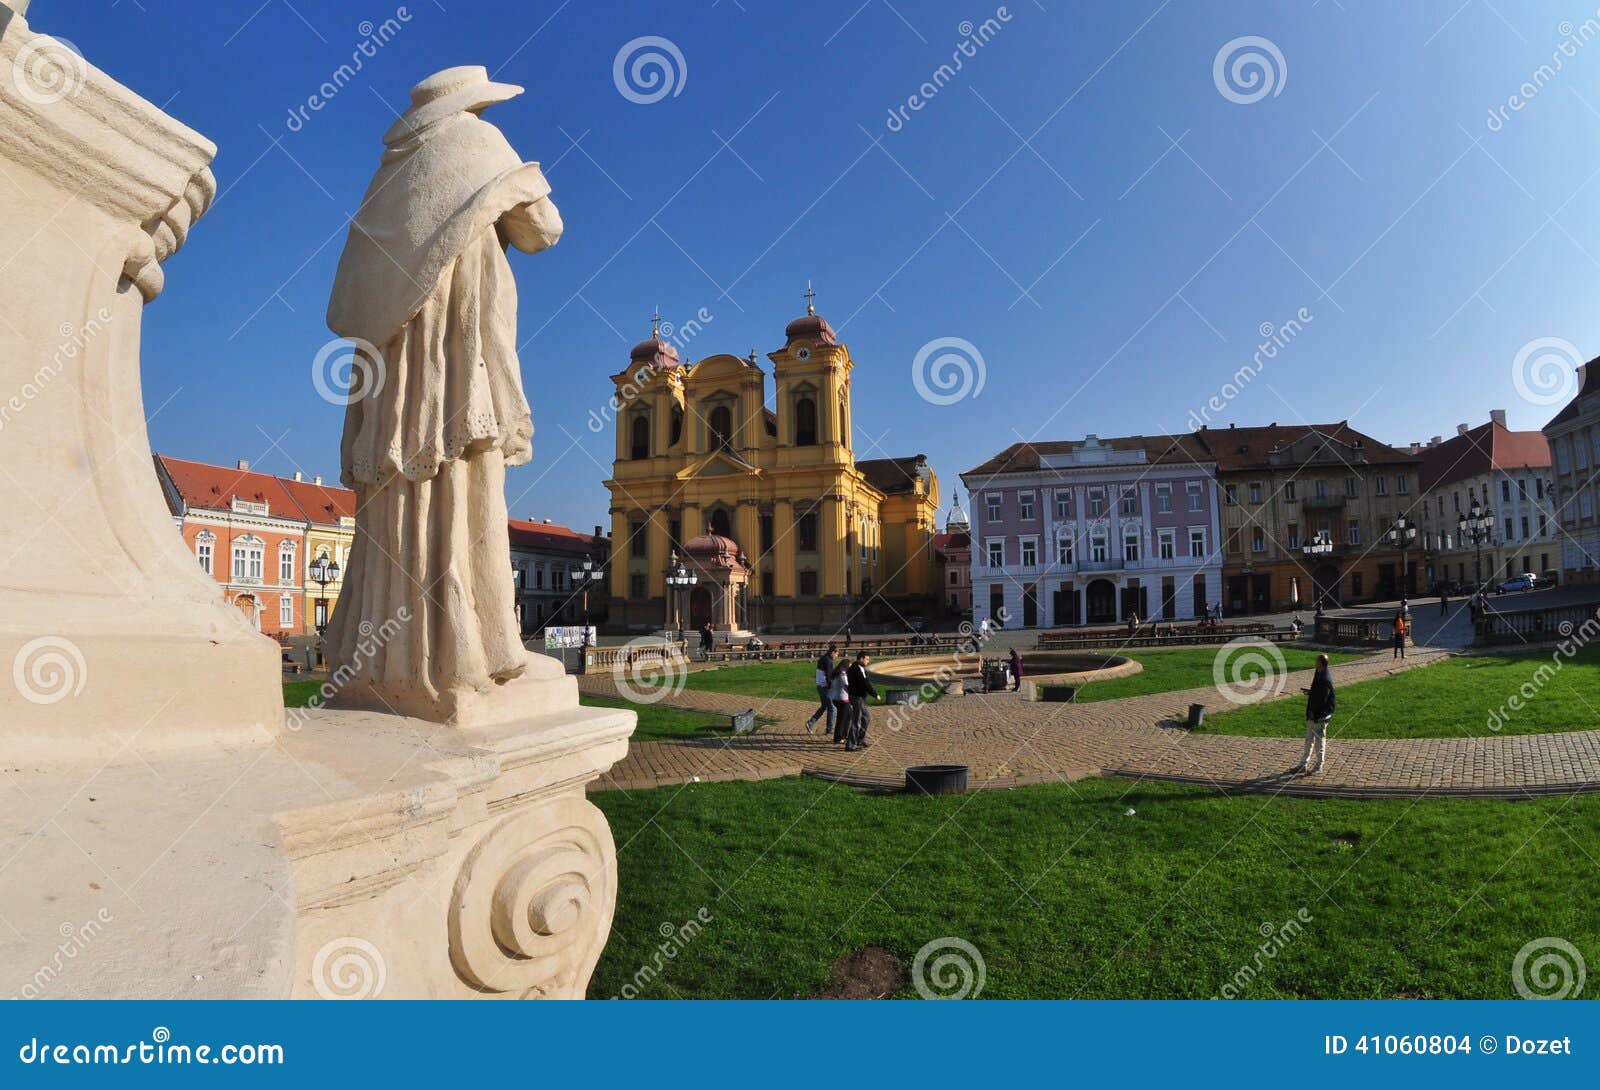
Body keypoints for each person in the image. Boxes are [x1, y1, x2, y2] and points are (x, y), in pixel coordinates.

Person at [1295, 654, 1335, 775]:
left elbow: (1322, 699)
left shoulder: (1325, 678)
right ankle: (1303, 764)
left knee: (1319, 741)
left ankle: (1319, 766)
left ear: (1321, 663)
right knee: (1309, 740)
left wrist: (1314, 713)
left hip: (1320, 715)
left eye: (1316, 661)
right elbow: (1317, 693)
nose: (1314, 662)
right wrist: (1310, 692)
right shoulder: (1318, 673)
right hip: (1313, 713)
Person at [845, 651, 877, 751]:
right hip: (857, 697)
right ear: (861, 659)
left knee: (866, 717)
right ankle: (850, 744)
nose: (868, 661)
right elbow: (865, 683)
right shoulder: (858, 668)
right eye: (867, 659)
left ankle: (859, 739)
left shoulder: (856, 667)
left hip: (858, 697)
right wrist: (874, 694)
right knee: (856, 721)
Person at [805, 643, 837, 734]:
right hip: (825, 687)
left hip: (820, 686)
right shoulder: (828, 661)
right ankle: (830, 729)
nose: (837, 656)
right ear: (833, 652)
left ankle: (810, 723)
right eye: (837, 654)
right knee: (832, 708)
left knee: (824, 706)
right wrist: (831, 687)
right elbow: (828, 676)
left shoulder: (824, 658)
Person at [828, 662, 851, 744]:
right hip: (842, 699)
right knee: (842, 719)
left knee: (847, 716)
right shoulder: (842, 675)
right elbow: (847, 686)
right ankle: (838, 737)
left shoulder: (836, 674)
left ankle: (843, 736)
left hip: (837, 698)